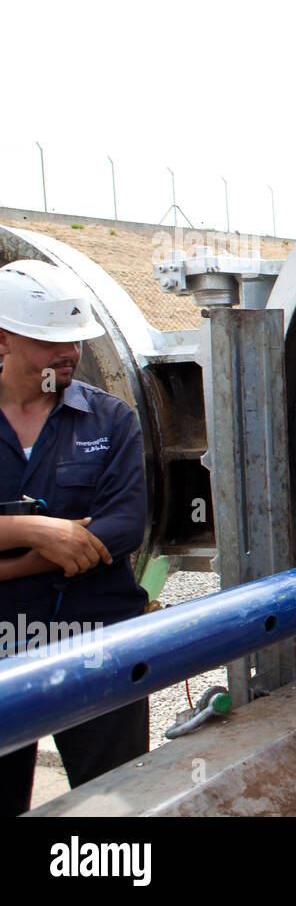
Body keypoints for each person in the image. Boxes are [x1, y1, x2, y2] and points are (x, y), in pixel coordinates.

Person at [0, 259, 149, 816]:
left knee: (114, 799)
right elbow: (85, 539)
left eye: (75, 339)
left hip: (96, 642)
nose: (69, 352)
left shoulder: (110, 420)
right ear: (3, 340)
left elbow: (121, 526)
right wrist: (36, 531)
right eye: (49, 340)